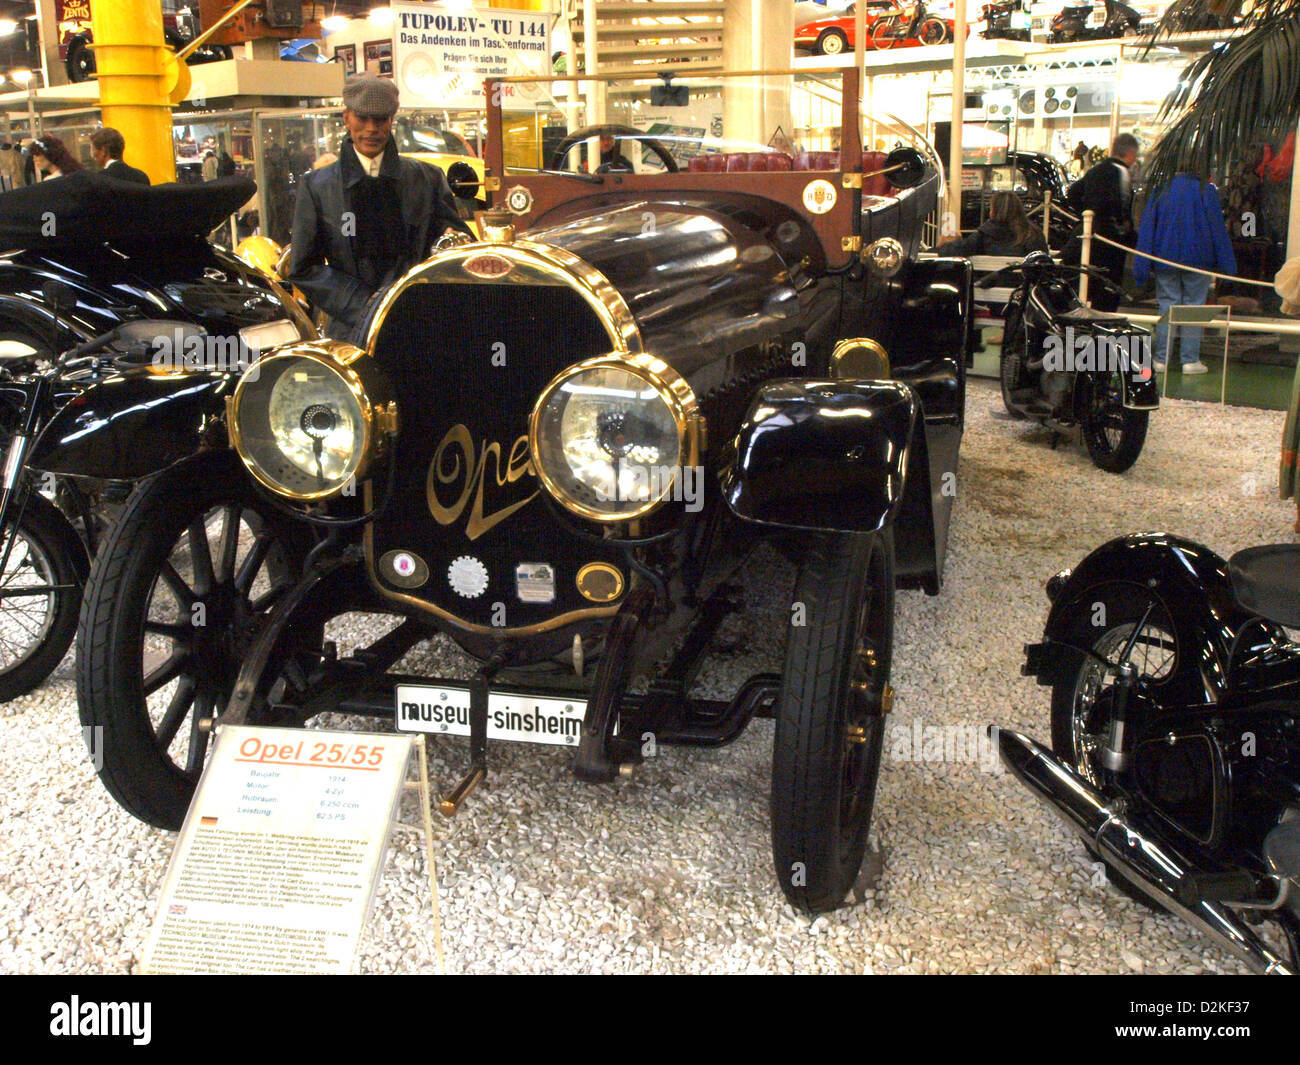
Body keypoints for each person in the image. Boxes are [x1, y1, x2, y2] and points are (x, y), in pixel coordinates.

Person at [289, 74, 472, 340]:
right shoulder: (317, 186)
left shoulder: (428, 180)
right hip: (351, 331)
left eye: (380, 119)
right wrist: (365, 306)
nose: (371, 128)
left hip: (418, 325)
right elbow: (304, 267)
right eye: (363, 118)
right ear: (346, 118)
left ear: (391, 121)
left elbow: (455, 249)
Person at [1134, 169, 1236, 375]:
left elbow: (1147, 228)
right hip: (1199, 260)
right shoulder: (1206, 190)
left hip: (1164, 258)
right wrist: (1228, 267)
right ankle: (1190, 360)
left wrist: (1141, 267)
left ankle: (1161, 359)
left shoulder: (1160, 190)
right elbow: (1218, 229)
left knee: (1167, 307)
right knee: (1194, 307)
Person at [1066, 132, 1139, 312]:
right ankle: (1104, 331)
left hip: (1090, 236)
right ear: (1130, 154)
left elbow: (1073, 192)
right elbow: (1121, 207)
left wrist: (1086, 215)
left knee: (1089, 286)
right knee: (1109, 291)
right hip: (1111, 243)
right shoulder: (1122, 173)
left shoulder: (1096, 170)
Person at [937, 191, 1049, 257]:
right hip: (1024, 291)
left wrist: (939, 247)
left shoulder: (986, 234)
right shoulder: (1033, 233)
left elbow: (960, 249)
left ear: (994, 211)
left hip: (989, 294)